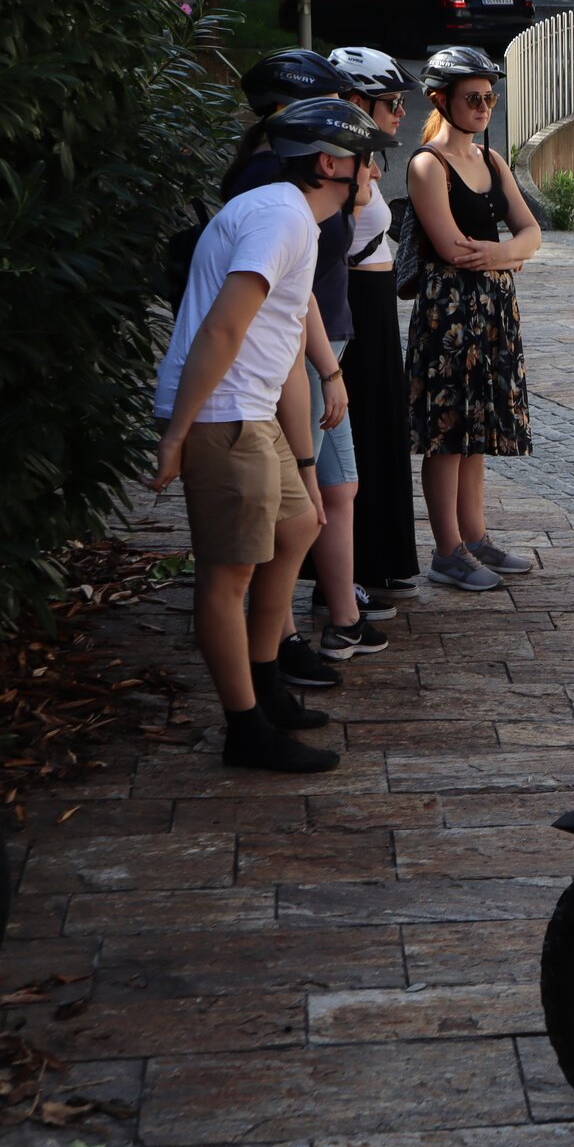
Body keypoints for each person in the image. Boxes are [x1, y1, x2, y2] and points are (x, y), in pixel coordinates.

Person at [146, 98, 397, 773]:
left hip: (249, 409)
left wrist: (309, 471)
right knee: (227, 577)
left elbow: (284, 348)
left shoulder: (298, 223)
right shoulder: (282, 217)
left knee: (297, 526)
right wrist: (176, 434)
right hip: (221, 412)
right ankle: (245, 728)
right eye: (365, 160)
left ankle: (266, 686)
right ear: (330, 164)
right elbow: (225, 328)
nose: (374, 174)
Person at [224, 50, 381, 683]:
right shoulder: (274, 187)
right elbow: (292, 292)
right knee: (301, 502)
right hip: (295, 352)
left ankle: (329, 619)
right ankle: (282, 640)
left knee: (328, 492)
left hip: (320, 345)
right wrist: (326, 364)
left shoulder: (284, 181)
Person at [405, 45, 542, 592]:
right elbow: (449, 246)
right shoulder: (425, 165)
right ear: (442, 99)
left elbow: (532, 234)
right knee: (447, 431)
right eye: (473, 97)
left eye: (489, 96)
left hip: (490, 310)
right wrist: (504, 255)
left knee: (476, 428)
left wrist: (499, 254)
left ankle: (474, 536)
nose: (485, 106)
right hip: (449, 312)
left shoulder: (492, 161)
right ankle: (446, 551)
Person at [328, 47, 425, 610]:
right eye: (391, 104)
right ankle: (352, 570)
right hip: (352, 304)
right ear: (358, 101)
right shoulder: (338, 159)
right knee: (358, 429)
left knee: (382, 426)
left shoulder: (368, 154)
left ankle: (381, 560)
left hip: (376, 303)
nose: (398, 115)